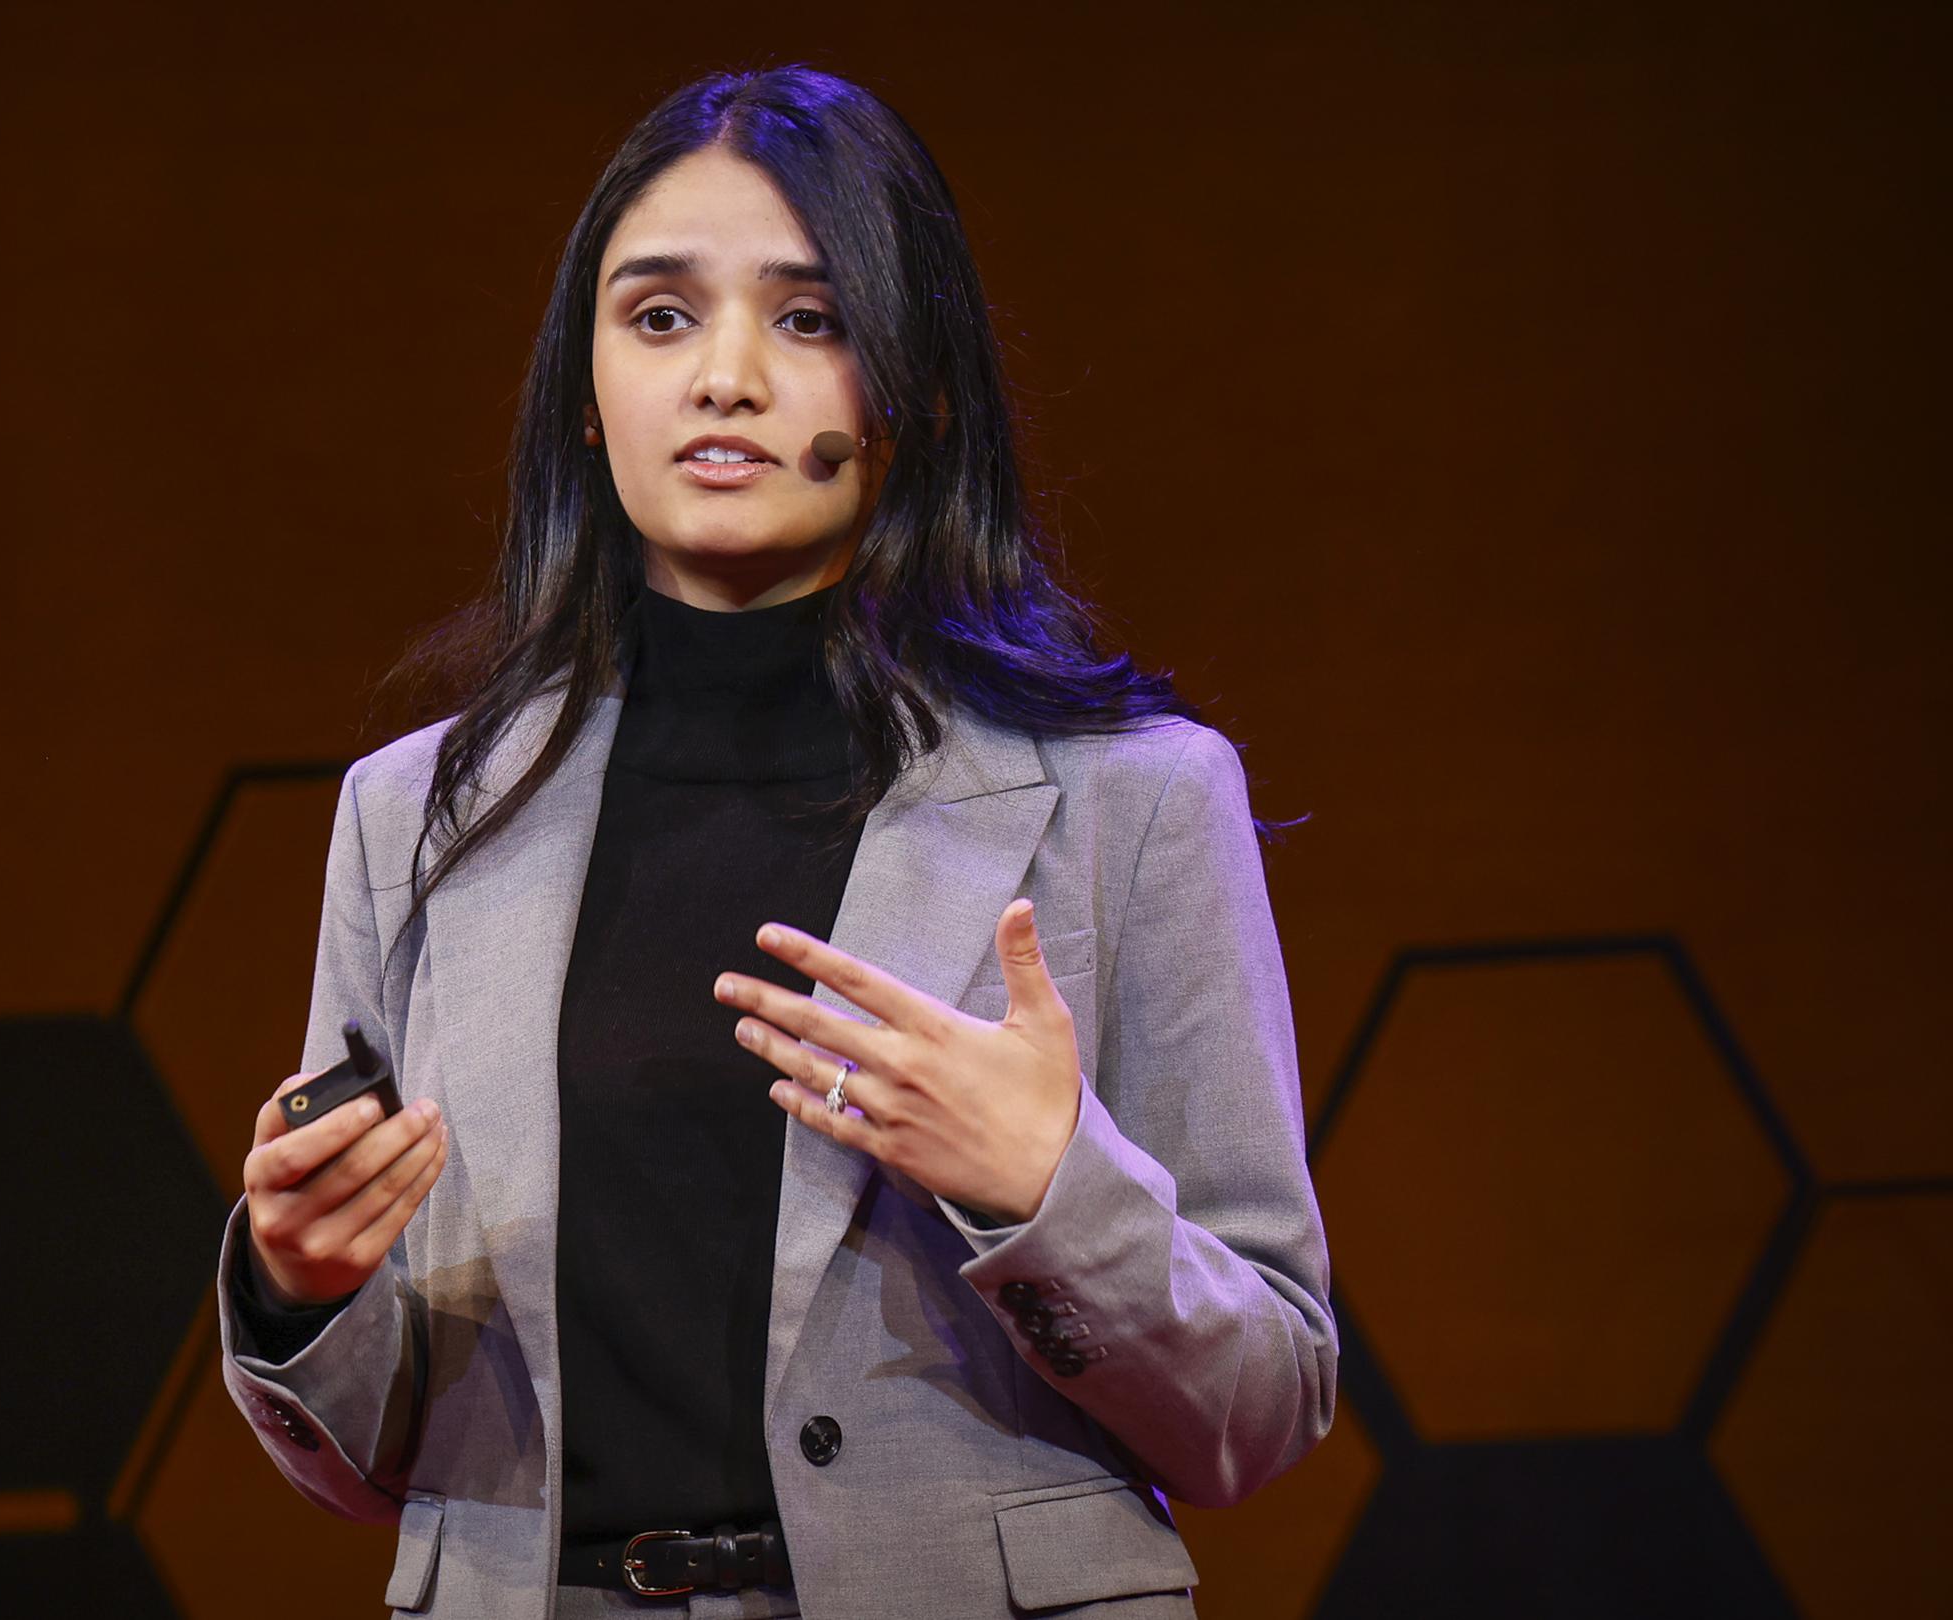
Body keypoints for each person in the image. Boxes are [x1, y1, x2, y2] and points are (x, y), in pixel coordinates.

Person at [213, 64, 1336, 1619]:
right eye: (659, 317)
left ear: (917, 392)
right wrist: (300, 1292)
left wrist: (1043, 1191)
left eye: (808, 319)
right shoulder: (420, 816)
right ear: (586, 397)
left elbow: (1261, 1407)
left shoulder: (1130, 800)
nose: (725, 376)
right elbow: (372, 1461)